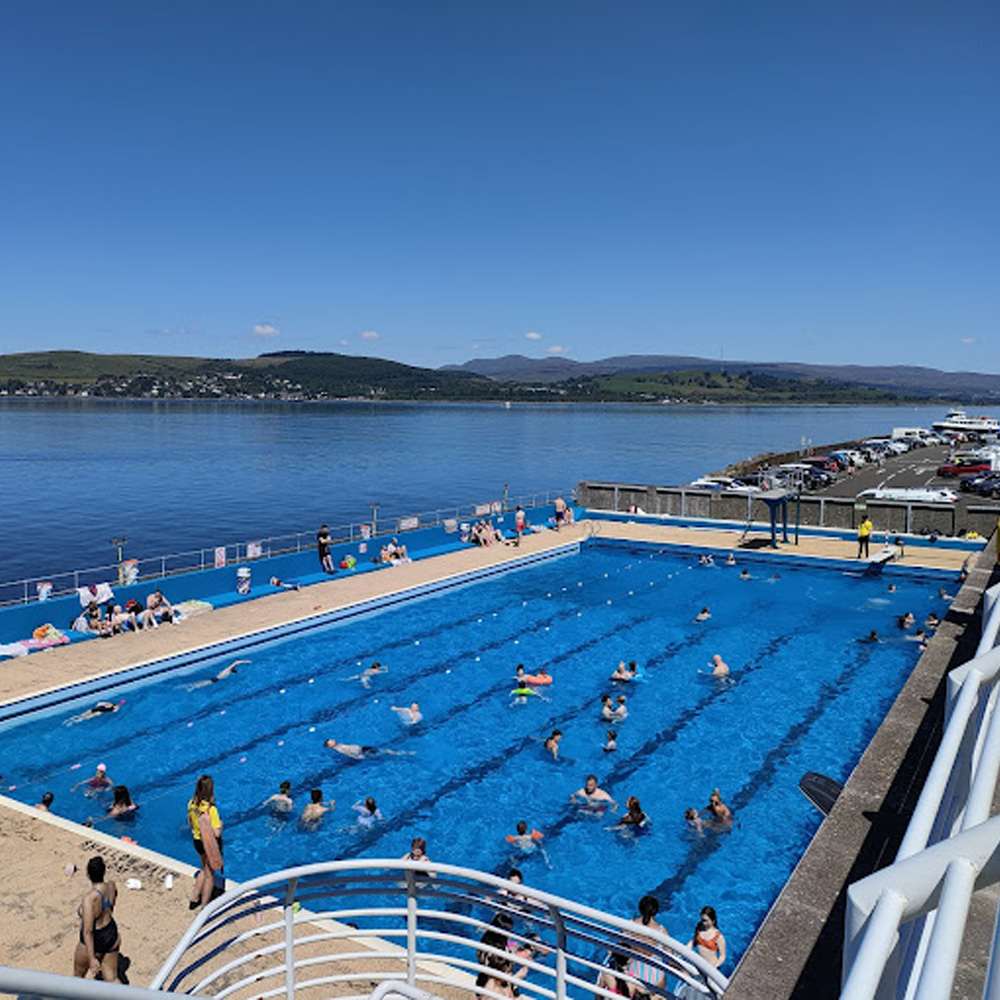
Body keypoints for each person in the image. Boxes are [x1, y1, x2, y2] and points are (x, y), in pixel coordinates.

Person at [73, 856, 120, 982]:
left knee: (78, 976)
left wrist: (92, 958)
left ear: (88, 875)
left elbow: (88, 931)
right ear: (104, 871)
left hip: (97, 937)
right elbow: (112, 904)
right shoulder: (111, 886)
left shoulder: (90, 900)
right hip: (111, 932)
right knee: (112, 978)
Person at [187, 774, 223, 910]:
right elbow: (217, 833)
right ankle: (204, 906)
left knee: (204, 868)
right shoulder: (211, 810)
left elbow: (190, 821)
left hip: (197, 840)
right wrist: (220, 824)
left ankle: (194, 897)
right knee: (209, 875)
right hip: (207, 844)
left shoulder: (191, 803)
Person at [623, 895, 668, 992]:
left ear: (640, 909)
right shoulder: (661, 931)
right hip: (655, 980)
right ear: (655, 912)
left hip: (632, 976)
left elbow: (620, 949)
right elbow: (670, 958)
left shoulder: (628, 926)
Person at [185, 659, 250, 690]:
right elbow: (236, 662)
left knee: (201, 684)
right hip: (215, 679)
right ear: (231, 670)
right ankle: (190, 688)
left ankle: (190, 687)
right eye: (232, 672)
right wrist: (245, 661)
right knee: (200, 685)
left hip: (216, 679)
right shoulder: (227, 670)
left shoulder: (228, 672)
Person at [323, 738, 411, 759]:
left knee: (383, 750)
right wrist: (359, 757)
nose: (333, 740)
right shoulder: (339, 749)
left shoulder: (339, 745)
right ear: (330, 746)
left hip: (362, 748)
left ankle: (401, 753)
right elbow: (348, 754)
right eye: (331, 741)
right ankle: (404, 753)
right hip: (362, 752)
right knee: (385, 751)